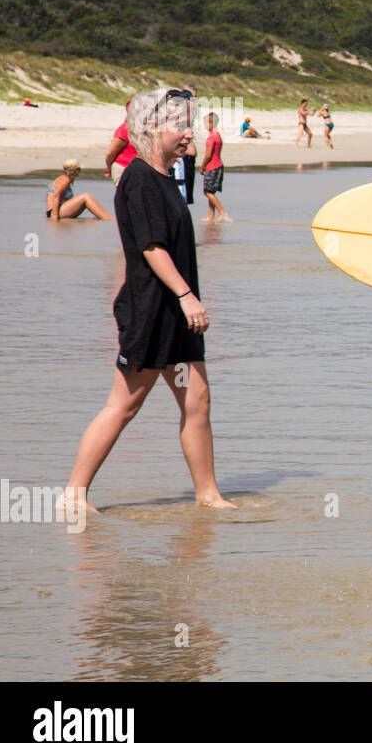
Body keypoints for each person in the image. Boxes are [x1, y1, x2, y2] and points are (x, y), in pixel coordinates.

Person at [61, 87, 235, 513]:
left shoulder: (166, 178)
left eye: (190, 126)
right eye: (180, 126)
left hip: (178, 313)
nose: (189, 135)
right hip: (153, 309)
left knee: (198, 401)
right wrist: (188, 296)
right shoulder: (139, 178)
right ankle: (73, 495)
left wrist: (187, 303)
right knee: (125, 404)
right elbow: (151, 248)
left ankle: (208, 495)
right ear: (151, 128)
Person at [47, 159, 112, 221]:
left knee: (92, 216)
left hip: (57, 210)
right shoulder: (65, 179)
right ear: (75, 170)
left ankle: (106, 218)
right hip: (55, 212)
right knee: (86, 196)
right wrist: (54, 218)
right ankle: (109, 218)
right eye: (79, 169)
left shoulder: (63, 178)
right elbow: (56, 195)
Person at [199, 112, 229, 222]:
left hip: (212, 166)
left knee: (207, 191)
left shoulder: (211, 137)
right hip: (219, 165)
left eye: (206, 123)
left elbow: (208, 155)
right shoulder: (218, 135)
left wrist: (202, 166)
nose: (205, 125)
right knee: (210, 191)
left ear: (211, 123)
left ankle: (222, 212)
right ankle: (211, 215)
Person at [105, 101, 136, 186]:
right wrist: (108, 166)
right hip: (123, 167)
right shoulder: (125, 128)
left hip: (137, 169)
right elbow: (111, 152)